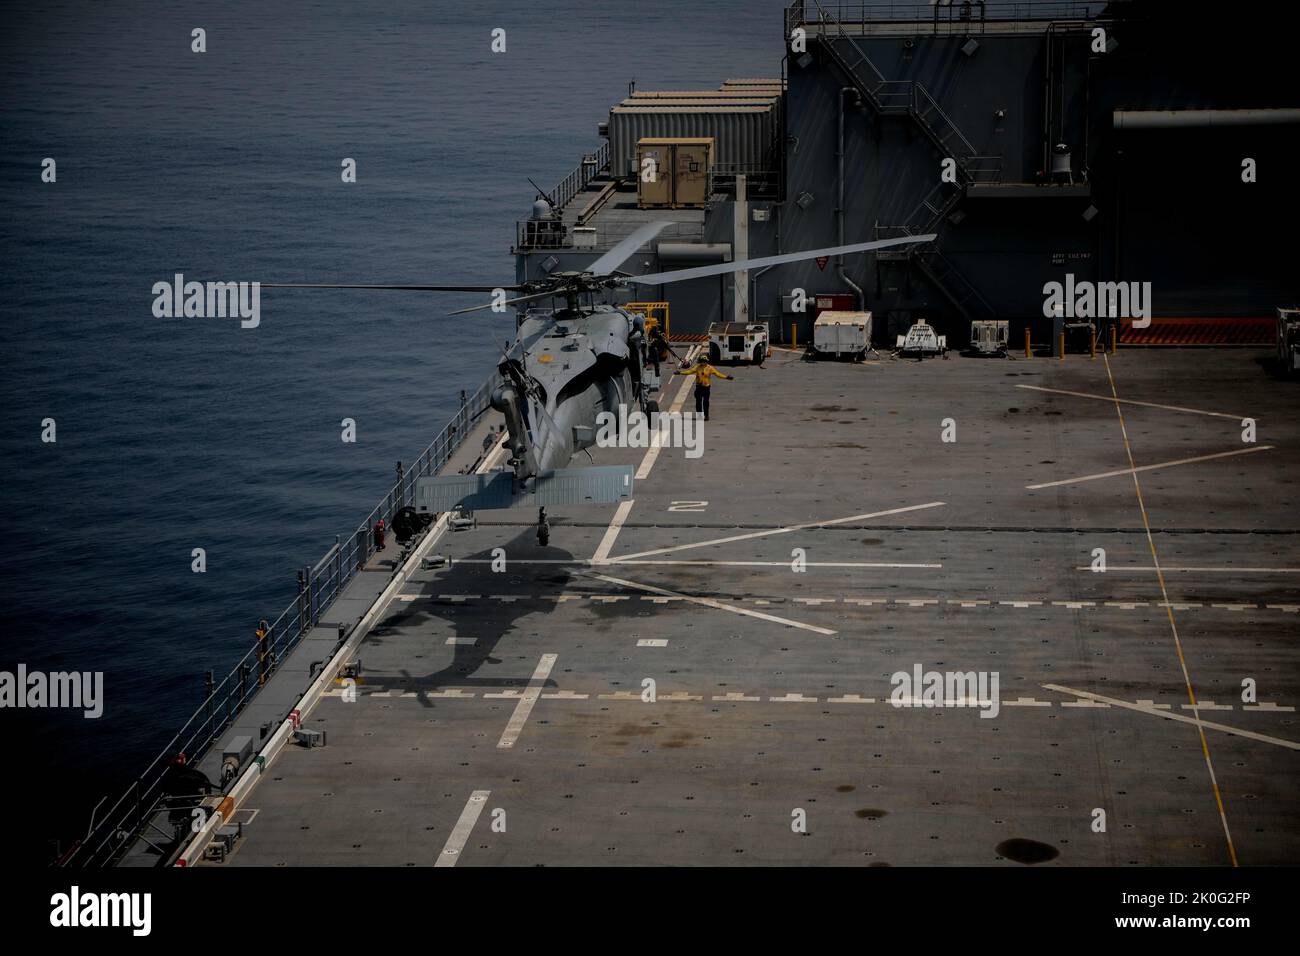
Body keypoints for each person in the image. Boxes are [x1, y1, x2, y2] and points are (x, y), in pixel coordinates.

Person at [675, 356, 733, 420]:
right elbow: (690, 371)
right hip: (699, 387)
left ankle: (706, 416)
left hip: (706, 388)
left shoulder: (710, 368)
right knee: (698, 402)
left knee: (706, 402)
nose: (702, 363)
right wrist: (680, 373)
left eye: (703, 361)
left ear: (706, 361)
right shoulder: (697, 367)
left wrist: (726, 377)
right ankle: (699, 416)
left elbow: (718, 374)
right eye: (701, 361)